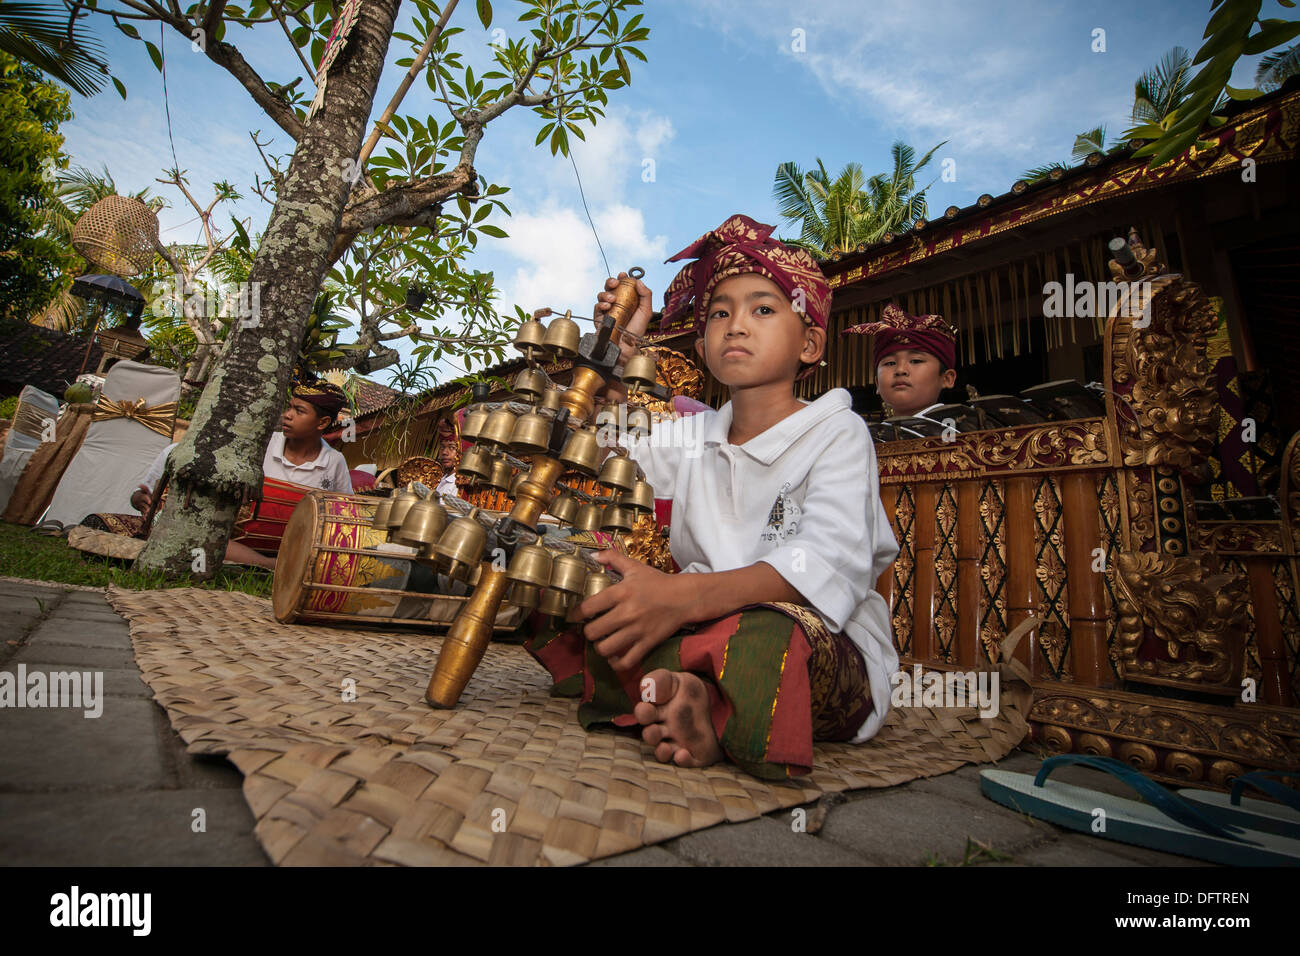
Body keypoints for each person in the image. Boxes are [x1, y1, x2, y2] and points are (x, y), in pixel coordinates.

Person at [519, 213, 899, 780]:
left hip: (812, 636)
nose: (736, 325)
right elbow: (605, 445)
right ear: (702, 346)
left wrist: (681, 597)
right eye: (720, 313)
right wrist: (617, 345)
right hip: (695, 623)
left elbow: (822, 561)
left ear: (810, 343)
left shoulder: (838, 431)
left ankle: (690, 693)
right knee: (558, 581)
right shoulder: (692, 435)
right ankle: (693, 695)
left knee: (768, 637)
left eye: (762, 310)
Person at [122, 381, 354, 568]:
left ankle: (272, 564)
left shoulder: (334, 462)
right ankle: (271, 566)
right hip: (233, 542)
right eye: (289, 407)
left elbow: (345, 517)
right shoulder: (257, 445)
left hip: (293, 547)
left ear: (322, 422)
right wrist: (139, 499)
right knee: (201, 535)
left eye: (299, 411)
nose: (287, 415)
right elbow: (140, 496)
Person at [859, 303, 958, 418]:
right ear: (877, 383)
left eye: (915, 361)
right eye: (890, 363)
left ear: (947, 378)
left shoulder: (962, 428)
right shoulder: (862, 430)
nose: (900, 370)